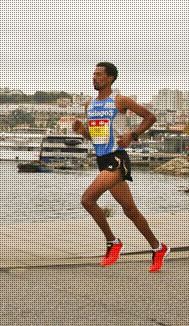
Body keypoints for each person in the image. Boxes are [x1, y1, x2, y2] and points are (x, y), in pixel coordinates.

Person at [72, 62, 169, 272]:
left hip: (116, 160)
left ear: (110, 78)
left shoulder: (119, 100)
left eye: (99, 74)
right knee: (131, 210)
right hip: (102, 160)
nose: (94, 77)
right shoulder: (89, 104)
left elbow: (150, 117)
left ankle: (112, 242)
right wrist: (82, 131)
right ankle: (158, 247)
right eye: (93, 74)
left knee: (87, 199)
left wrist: (133, 135)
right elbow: (95, 138)